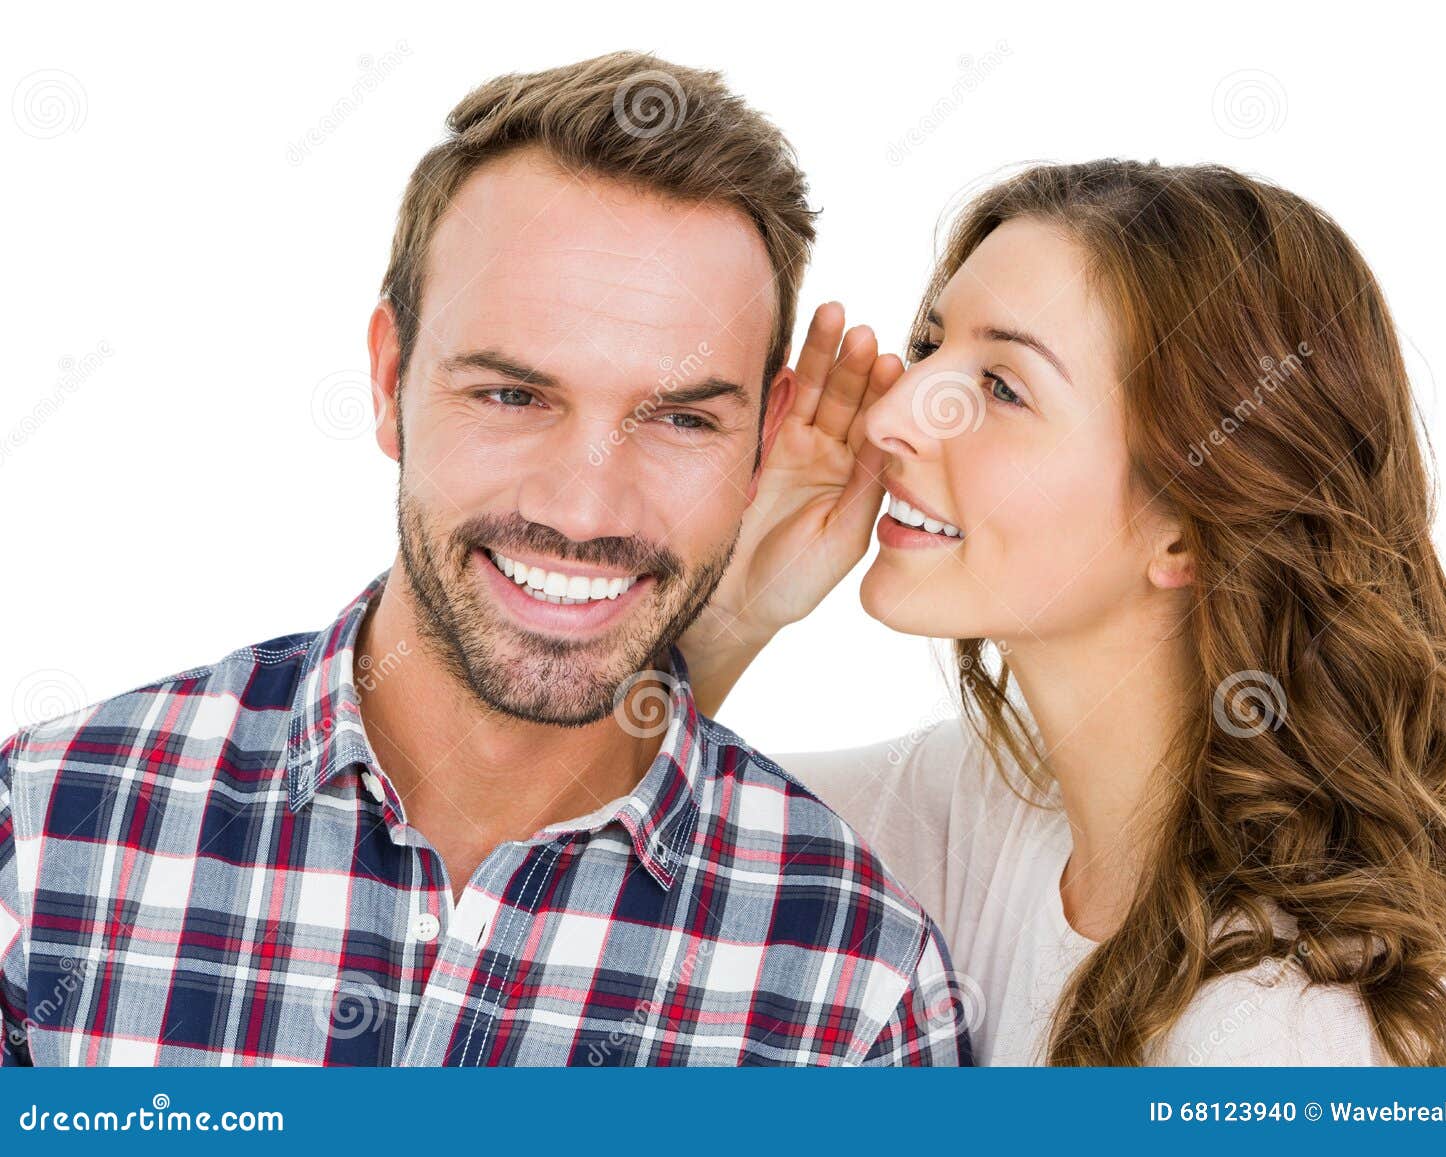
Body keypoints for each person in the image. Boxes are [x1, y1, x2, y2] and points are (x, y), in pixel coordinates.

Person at [0, 52, 969, 1068]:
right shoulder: (46, 831)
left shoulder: (856, 989)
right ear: (389, 379)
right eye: (514, 397)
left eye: (680, 418)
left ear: (763, 441)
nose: (585, 506)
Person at [680, 159, 1446, 1066]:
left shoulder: (1285, 1035)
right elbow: (604, 822)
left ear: (1185, 531)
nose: (895, 415)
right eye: (930, 348)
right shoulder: (993, 806)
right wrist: (734, 610)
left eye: (1002, 387)